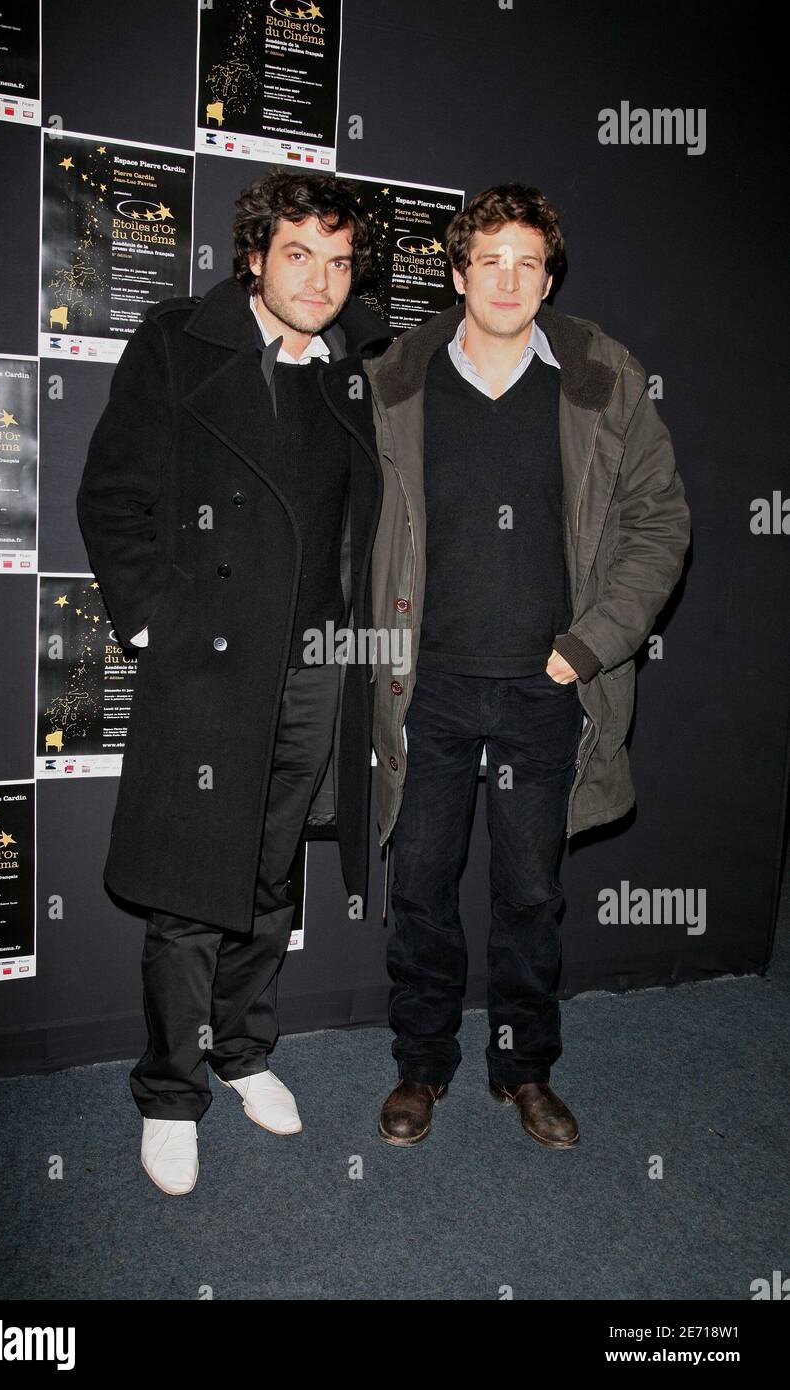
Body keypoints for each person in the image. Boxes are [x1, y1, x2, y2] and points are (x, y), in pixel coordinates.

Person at [76, 170, 392, 1194]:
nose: (321, 278)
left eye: (340, 260)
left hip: (310, 670)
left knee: (267, 876)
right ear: (253, 254)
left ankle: (244, 1050)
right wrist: (152, 619)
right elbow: (113, 496)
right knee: (187, 887)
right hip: (208, 663)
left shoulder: (355, 368)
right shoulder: (177, 344)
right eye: (298, 253)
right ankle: (170, 1091)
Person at [365, 183, 691, 1148]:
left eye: (529, 262)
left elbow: (658, 522)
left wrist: (587, 645)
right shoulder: (397, 380)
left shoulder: (602, 375)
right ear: (458, 271)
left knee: (530, 895)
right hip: (426, 685)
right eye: (489, 260)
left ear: (549, 276)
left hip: (547, 686)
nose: (508, 280)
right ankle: (421, 1069)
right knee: (420, 883)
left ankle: (524, 1071)